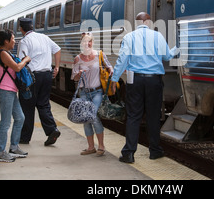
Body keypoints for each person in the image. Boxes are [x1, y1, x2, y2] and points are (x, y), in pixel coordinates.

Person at [111, 12, 179, 164]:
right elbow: (167, 56)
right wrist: (179, 47)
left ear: (137, 23)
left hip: (134, 81)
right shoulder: (158, 36)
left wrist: (114, 79)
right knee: (153, 116)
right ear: (149, 22)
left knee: (134, 116)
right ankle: (155, 151)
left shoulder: (129, 37)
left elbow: (123, 59)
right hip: (154, 81)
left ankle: (129, 153)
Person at [17, 18, 62, 146]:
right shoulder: (44, 37)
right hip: (47, 75)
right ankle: (52, 130)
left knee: (27, 106)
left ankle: (25, 137)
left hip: (32, 77)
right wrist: (57, 67)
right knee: (43, 104)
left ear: (21, 29)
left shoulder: (24, 41)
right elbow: (57, 50)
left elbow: (21, 61)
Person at [71, 33, 113, 156]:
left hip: (97, 91)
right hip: (84, 92)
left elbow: (109, 66)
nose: (87, 44)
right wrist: (79, 73)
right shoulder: (77, 59)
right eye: (84, 41)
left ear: (92, 42)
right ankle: (90, 147)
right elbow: (74, 77)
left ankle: (101, 146)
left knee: (93, 116)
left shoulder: (100, 54)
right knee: (86, 119)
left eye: (89, 41)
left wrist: (111, 72)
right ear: (81, 43)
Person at [0, 29, 31, 162]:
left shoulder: (7, 53)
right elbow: (16, 67)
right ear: (6, 41)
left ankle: (14, 147)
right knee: (5, 123)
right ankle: (0, 152)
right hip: (5, 91)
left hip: (11, 91)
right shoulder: (3, 53)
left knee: (20, 118)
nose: (15, 41)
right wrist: (26, 59)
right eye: (13, 39)